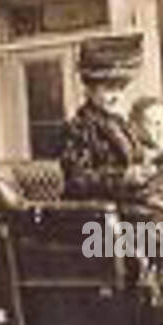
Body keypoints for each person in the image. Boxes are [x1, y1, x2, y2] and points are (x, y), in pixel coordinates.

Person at [58, 34, 154, 201]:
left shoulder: (121, 124)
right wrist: (123, 177)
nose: (116, 96)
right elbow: (77, 181)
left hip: (134, 205)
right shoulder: (78, 128)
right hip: (99, 218)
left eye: (120, 88)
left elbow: (139, 158)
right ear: (90, 90)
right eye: (109, 89)